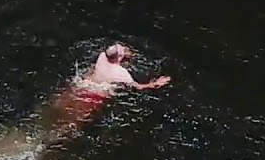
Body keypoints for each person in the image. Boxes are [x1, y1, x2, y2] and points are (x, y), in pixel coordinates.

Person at [41, 43, 170, 133]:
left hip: (81, 85)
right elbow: (139, 87)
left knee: (57, 108)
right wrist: (156, 83)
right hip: (94, 95)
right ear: (119, 57)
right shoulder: (121, 73)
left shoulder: (102, 57)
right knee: (70, 123)